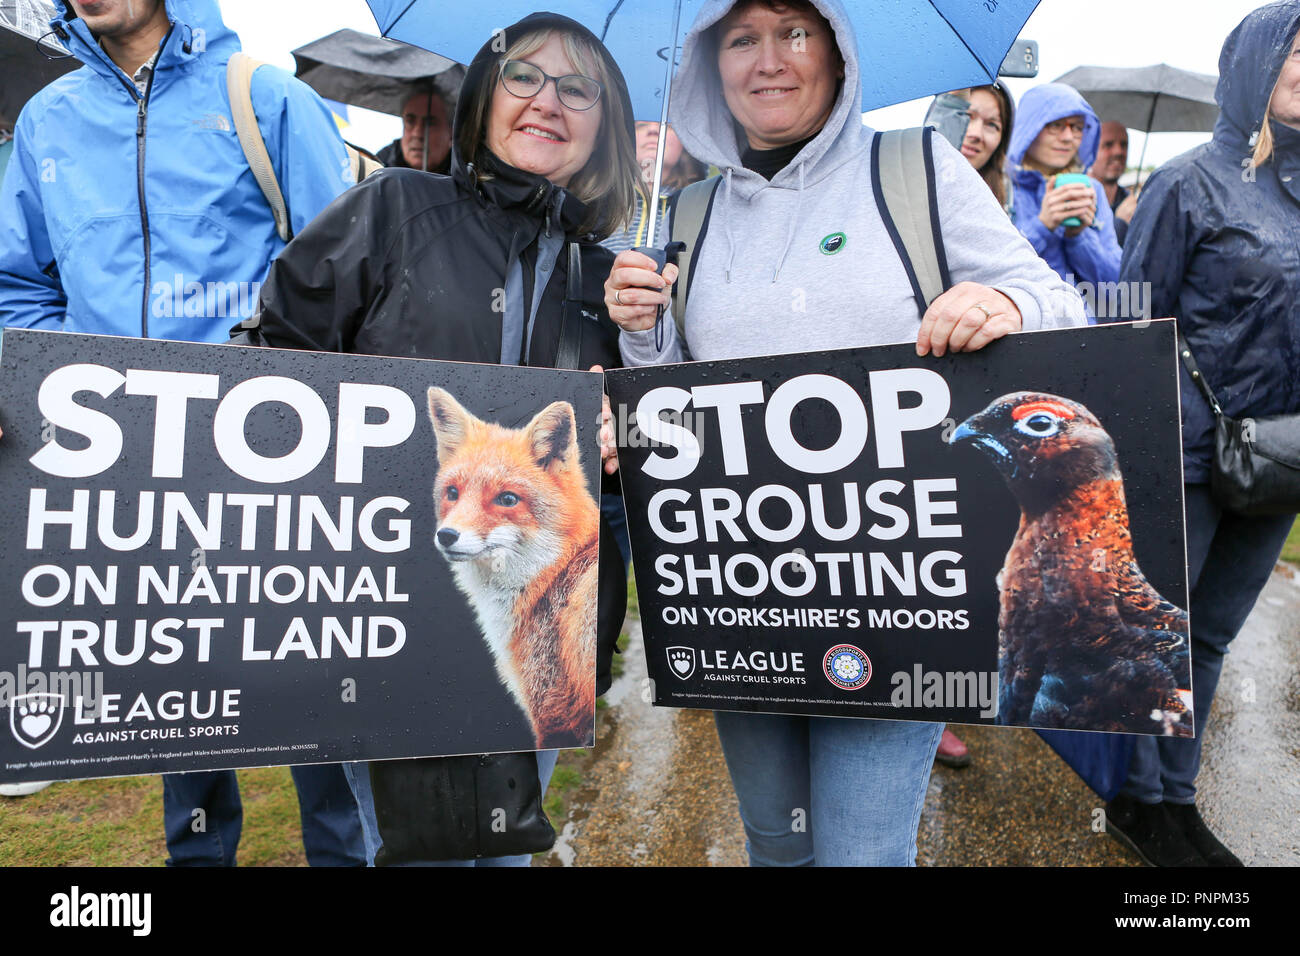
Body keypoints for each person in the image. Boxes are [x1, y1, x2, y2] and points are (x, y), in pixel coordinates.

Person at [606, 0, 1087, 866]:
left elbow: (1061, 301)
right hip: (741, 594)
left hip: (896, 594)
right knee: (774, 844)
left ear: (836, 52)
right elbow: (666, 409)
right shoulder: (688, 213)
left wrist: (1005, 302)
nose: (769, 60)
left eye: (794, 32)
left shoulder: (916, 169)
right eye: (742, 40)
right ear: (711, 68)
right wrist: (642, 331)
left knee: (863, 854)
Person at [241, 11, 638, 866]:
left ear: (605, 124)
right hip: (381, 614)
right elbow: (266, 370)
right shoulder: (393, 210)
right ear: (485, 96)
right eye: (525, 76)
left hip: (531, 636)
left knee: (500, 851)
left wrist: (623, 428)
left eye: (579, 88)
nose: (548, 102)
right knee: (413, 852)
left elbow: (634, 474)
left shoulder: (609, 278)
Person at [0, 0, 364, 864]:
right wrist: (62, 380)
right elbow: (18, 283)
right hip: (125, 474)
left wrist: (252, 380)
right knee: (175, 691)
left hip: (275, 462)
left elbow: (347, 275)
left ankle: (346, 856)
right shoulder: (48, 119)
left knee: (319, 692)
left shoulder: (266, 98)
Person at [1103, 0, 1300, 868]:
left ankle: (1172, 797)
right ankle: (1143, 802)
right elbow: (1128, 320)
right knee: (1164, 636)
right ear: (1257, 61)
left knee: (1213, 638)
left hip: (1286, 456)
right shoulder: (1189, 182)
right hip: (1189, 452)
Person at [1007, 83, 1122, 312]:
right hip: (1023, 332)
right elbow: (995, 272)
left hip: (1084, 332)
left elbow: (1117, 290)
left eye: (1078, 128)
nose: (1069, 137)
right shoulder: (1004, 188)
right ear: (1030, 126)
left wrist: (1078, 236)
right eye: (1056, 125)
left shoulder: (1091, 190)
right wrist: (1042, 226)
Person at [376, 86, 453, 173]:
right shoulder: (377, 168)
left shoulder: (466, 175)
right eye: (410, 122)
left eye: (429, 124)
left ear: (451, 132)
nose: (417, 134)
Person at [1089, 120, 1136, 245]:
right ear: (1090, 150)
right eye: (1108, 145)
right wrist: (1120, 223)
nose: (1118, 152)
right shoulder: (1076, 198)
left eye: (1124, 145)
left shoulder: (1133, 203)